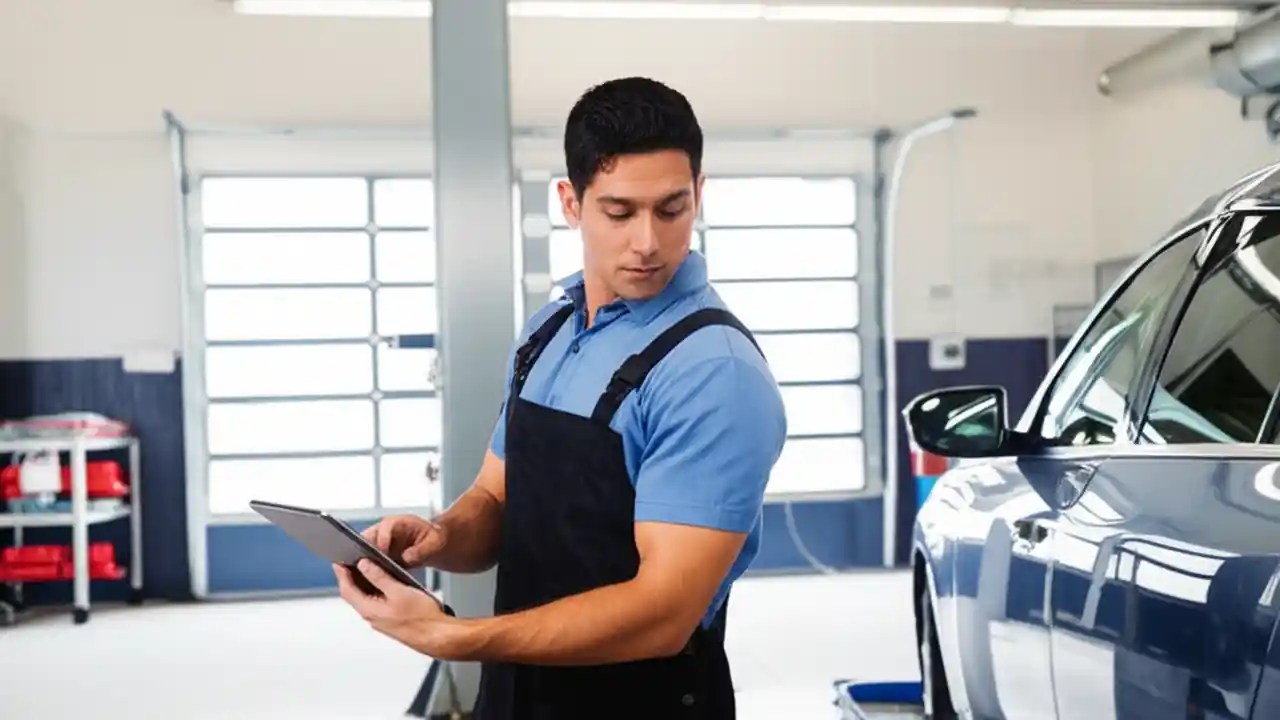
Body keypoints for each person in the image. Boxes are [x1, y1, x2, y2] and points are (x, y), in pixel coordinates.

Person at [334, 76, 787, 719]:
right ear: (571, 203)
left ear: (699, 196)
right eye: (620, 211)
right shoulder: (547, 331)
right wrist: (436, 538)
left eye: (671, 208)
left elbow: (663, 614)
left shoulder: (714, 371)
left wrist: (453, 637)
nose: (648, 242)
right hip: (520, 692)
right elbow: (496, 496)